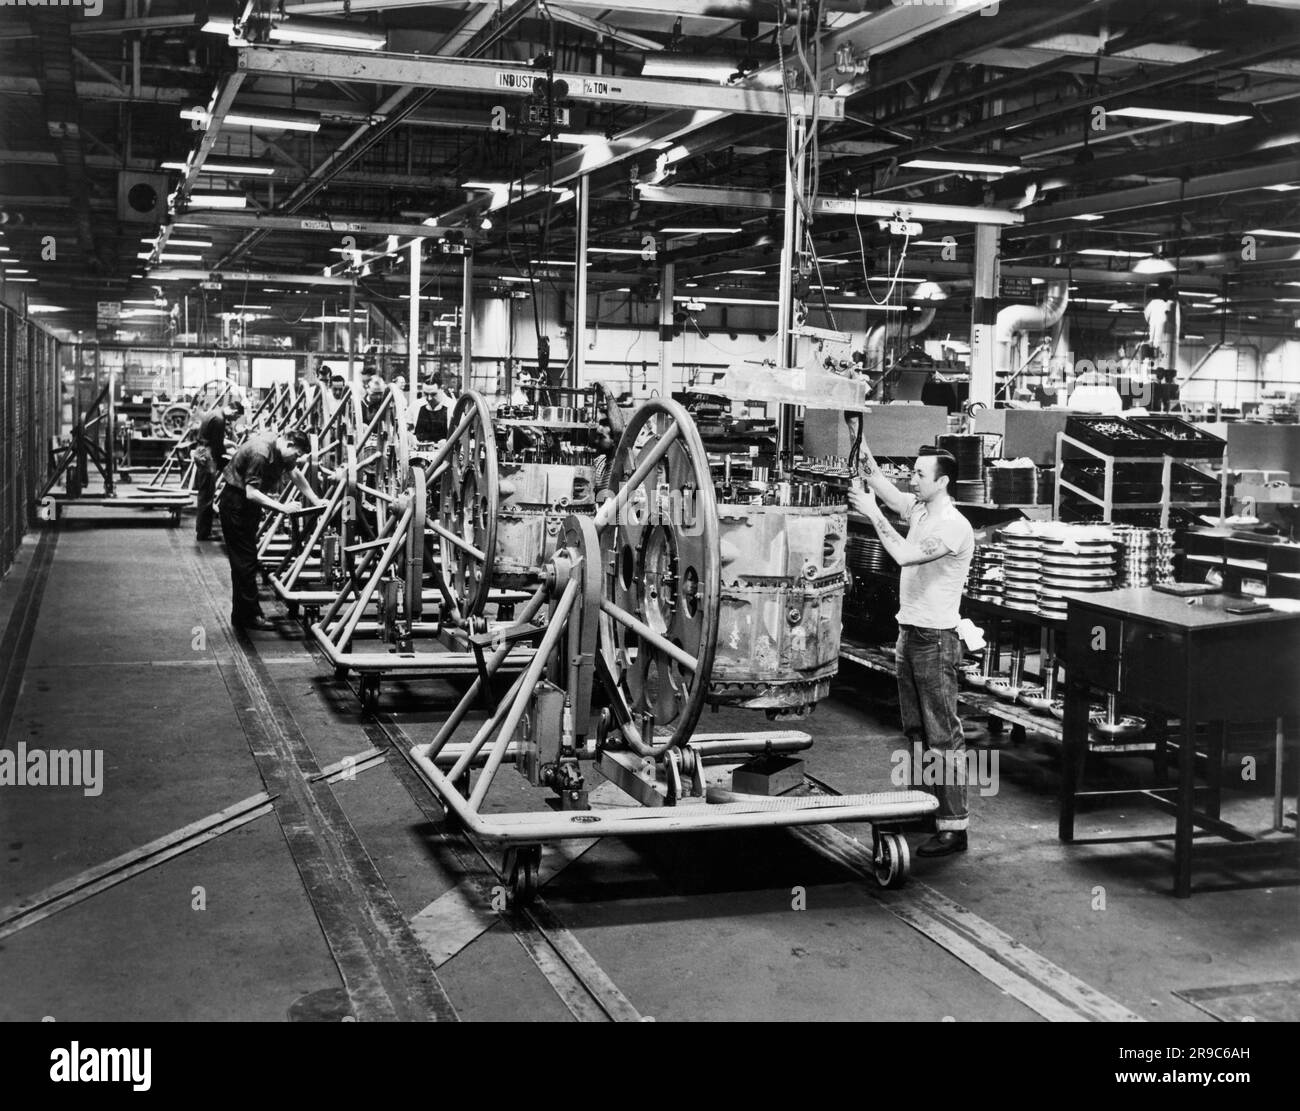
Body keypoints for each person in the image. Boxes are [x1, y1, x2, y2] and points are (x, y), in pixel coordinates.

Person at [848, 446, 975, 858]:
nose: (911, 480)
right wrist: (858, 432)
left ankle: (954, 826)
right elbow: (880, 481)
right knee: (916, 730)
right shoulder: (920, 509)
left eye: (920, 475)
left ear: (942, 482)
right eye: (913, 473)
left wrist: (872, 512)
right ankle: (925, 807)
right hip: (910, 634)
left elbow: (902, 555)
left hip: (936, 641)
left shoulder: (952, 525)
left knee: (943, 735)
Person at [218, 429, 320, 630]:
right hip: (236, 504)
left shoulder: (281, 449)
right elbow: (251, 493)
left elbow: (294, 473)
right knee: (245, 562)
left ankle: (241, 615)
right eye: (297, 454)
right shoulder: (261, 452)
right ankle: (249, 616)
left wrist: (315, 499)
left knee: (245, 561)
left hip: (246, 506)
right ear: (289, 444)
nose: (296, 459)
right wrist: (283, 508)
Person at [193, 401, 243, 541]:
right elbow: (217, 447)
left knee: (204, 494)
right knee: (207, 496)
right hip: (207, 455)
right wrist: (231, 459)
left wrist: (231, 445)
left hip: (203, 451)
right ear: (233, 411)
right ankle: (203, 533)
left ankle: (201, 530)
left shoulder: (214, 413)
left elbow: (216, 441)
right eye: (236, 417)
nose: (234, 420)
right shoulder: (220, 419)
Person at [590, 381, 627, 503]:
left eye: (602, 436)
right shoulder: (599, 460)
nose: (598, 437)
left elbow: (619, 431)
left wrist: (608, 395)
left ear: (613, 441)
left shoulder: (617, 459)